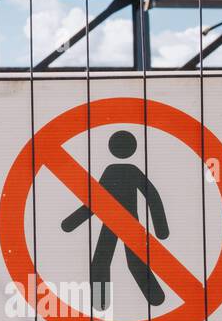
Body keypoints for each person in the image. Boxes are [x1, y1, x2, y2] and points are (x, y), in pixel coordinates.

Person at [61, 130, 168, 311]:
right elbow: (153, 197)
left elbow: (95, 201)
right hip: (124, 224)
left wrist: (71, 223)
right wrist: (161, 229)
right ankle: (154, 297)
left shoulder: (113, 171)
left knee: (103, 261)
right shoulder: (131, 171)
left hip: (116, 223)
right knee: (129, 262)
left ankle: (104, 302)